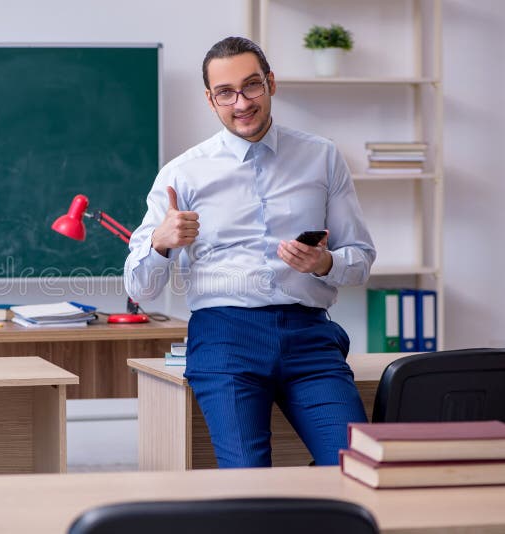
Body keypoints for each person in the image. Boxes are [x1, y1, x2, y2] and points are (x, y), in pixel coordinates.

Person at [124, 36, 376, 468]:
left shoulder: (323, 157)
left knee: (354, 465)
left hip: (309, 336)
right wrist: (161, 242)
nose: (241, 102)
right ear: (210, 99)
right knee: (246, 476)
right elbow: (139, 287)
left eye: (251, 86)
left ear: (271, 83)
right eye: (226, 92)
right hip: (225, 336)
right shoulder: (182, 174)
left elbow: (361, 259)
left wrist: (326, 262)